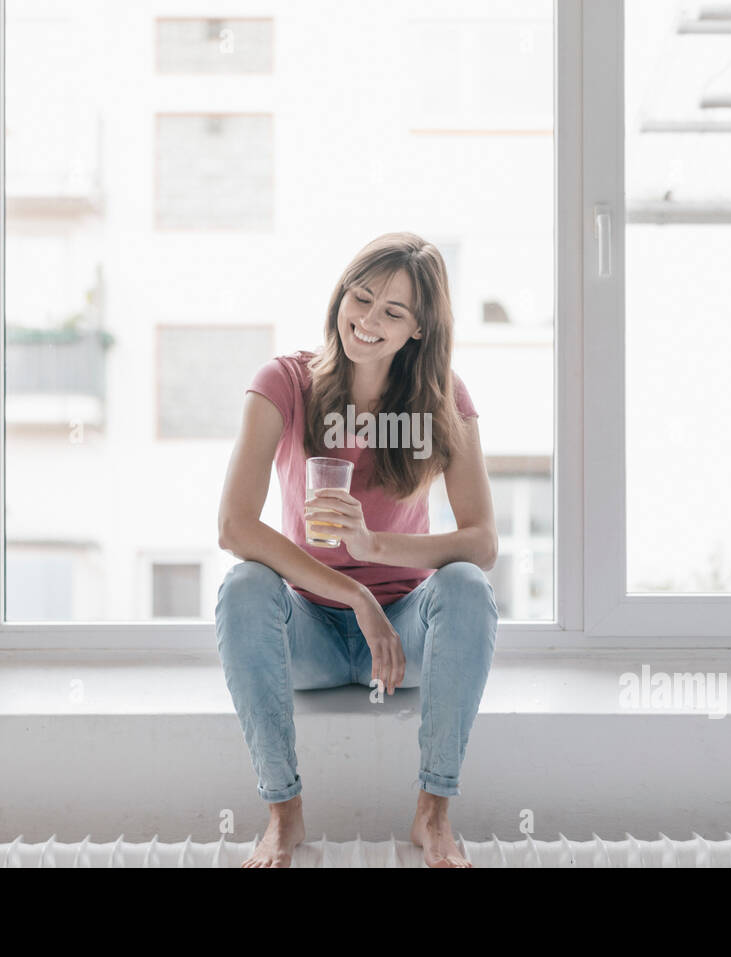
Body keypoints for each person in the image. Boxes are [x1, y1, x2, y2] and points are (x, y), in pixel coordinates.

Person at [215, 231, 499, 868]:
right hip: (310, 632)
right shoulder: (283, 382)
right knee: (243, 586)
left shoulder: (446, 399)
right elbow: (235, 527)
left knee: (466, 586)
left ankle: (433, 814)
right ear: (341, 293)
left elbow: (482, 541)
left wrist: (373, 546)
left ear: (419, 329)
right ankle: (283, 816)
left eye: (392, 313)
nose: (367, 321)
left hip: (403, 640)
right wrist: (355, 593)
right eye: (361, 297)